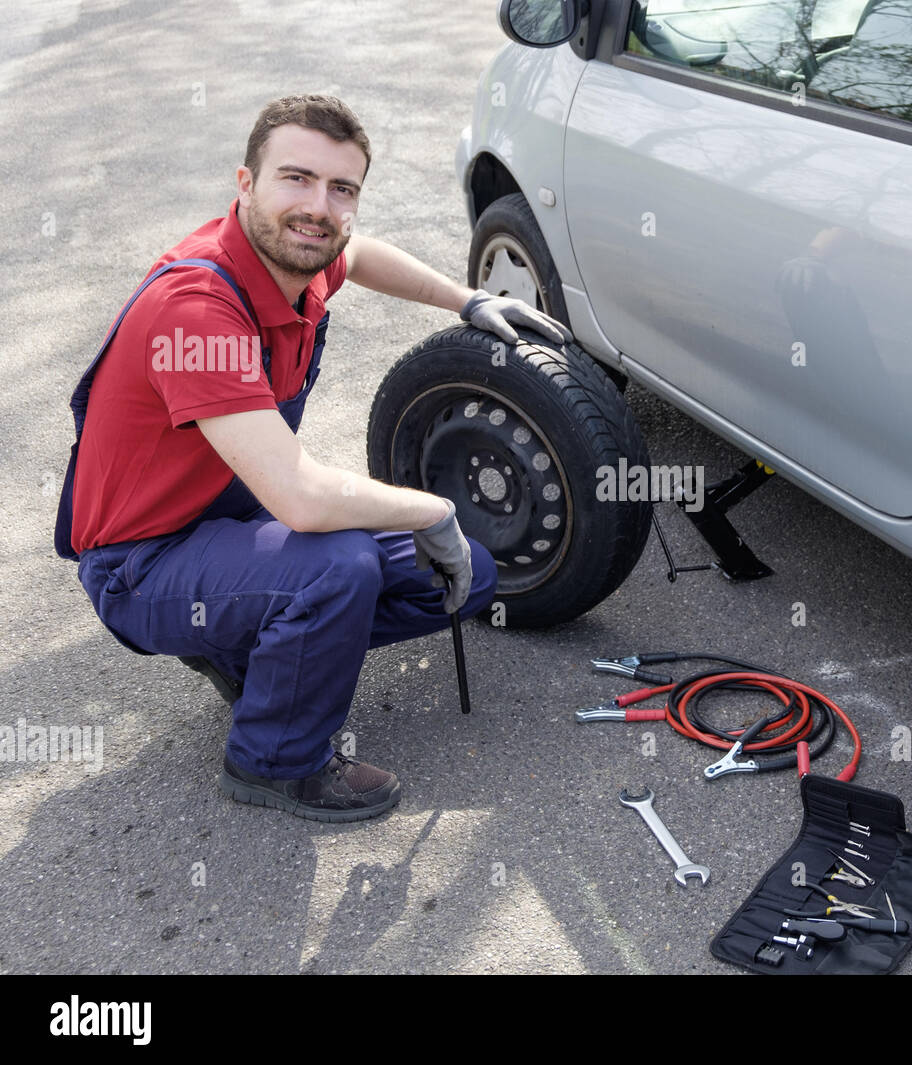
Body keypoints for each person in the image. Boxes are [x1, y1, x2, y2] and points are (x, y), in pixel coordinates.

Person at [53, 94, 571, 823]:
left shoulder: (303, 253)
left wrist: (466, 300)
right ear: (246, 184)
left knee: (464, 573)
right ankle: (273, 761)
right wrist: (433, 508)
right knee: (338, 569)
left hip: (225, 520)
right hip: (142, 561)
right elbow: (300, 499)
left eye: (342, 189)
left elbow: (358, 256)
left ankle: (254, 648)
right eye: (295, 178)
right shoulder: (198, 308)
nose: (318, 207)